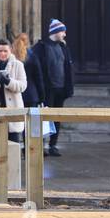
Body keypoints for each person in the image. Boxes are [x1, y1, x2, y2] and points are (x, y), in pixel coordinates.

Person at [30, 19, 74, 156]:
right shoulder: (40, 47)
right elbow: (35, 69)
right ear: (55, 32)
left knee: (57, 117)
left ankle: (53, 145)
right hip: (46, 89)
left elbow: (68, 67)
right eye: (63, 31)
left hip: (60, 89)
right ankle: (41, 145)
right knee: (43, 117)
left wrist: (69, 88)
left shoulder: (63, 47)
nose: (65, 34)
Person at [12, 32, 45, 108]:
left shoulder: (11, 57)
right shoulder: (33, 57)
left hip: (15, 95)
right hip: (31, 95)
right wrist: (42, 98)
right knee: (32, 120)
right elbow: (38, 79)